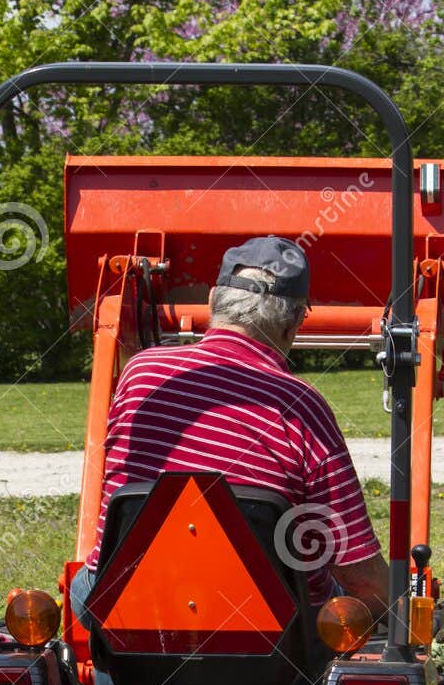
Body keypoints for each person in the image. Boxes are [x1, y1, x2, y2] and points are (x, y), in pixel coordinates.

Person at [70, 233, 389, 646]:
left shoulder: (140, 374)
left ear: (214, 304)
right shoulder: (301, 406)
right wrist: (396, 605)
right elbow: (358, 572)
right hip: (269, 634)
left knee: (89, 587)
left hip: (136, 612)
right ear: (293, 323)